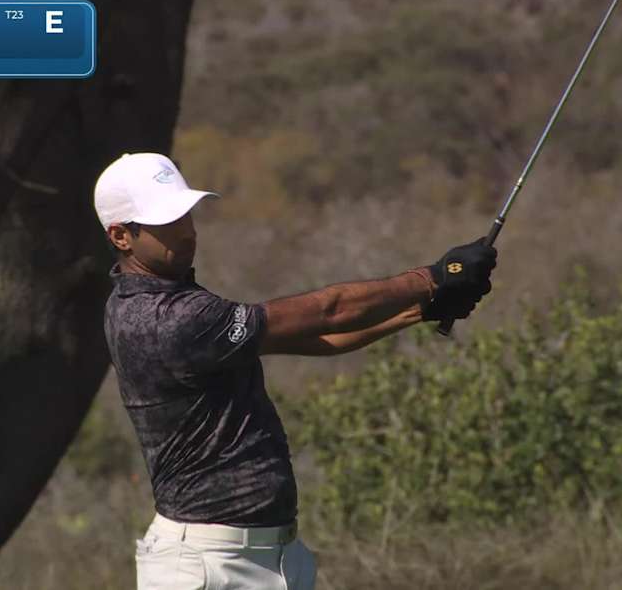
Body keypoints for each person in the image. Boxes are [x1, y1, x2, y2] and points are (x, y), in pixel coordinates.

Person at [94, 153, 496, 590]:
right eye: (166, 221)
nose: (187, 229)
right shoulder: (165, 317)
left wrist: (421, 309)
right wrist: (434, 276)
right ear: (121, 236)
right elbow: (327, 311)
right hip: (207, 565)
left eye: (185, 213)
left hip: (270, 558)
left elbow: (312, 339)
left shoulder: (176, 302)